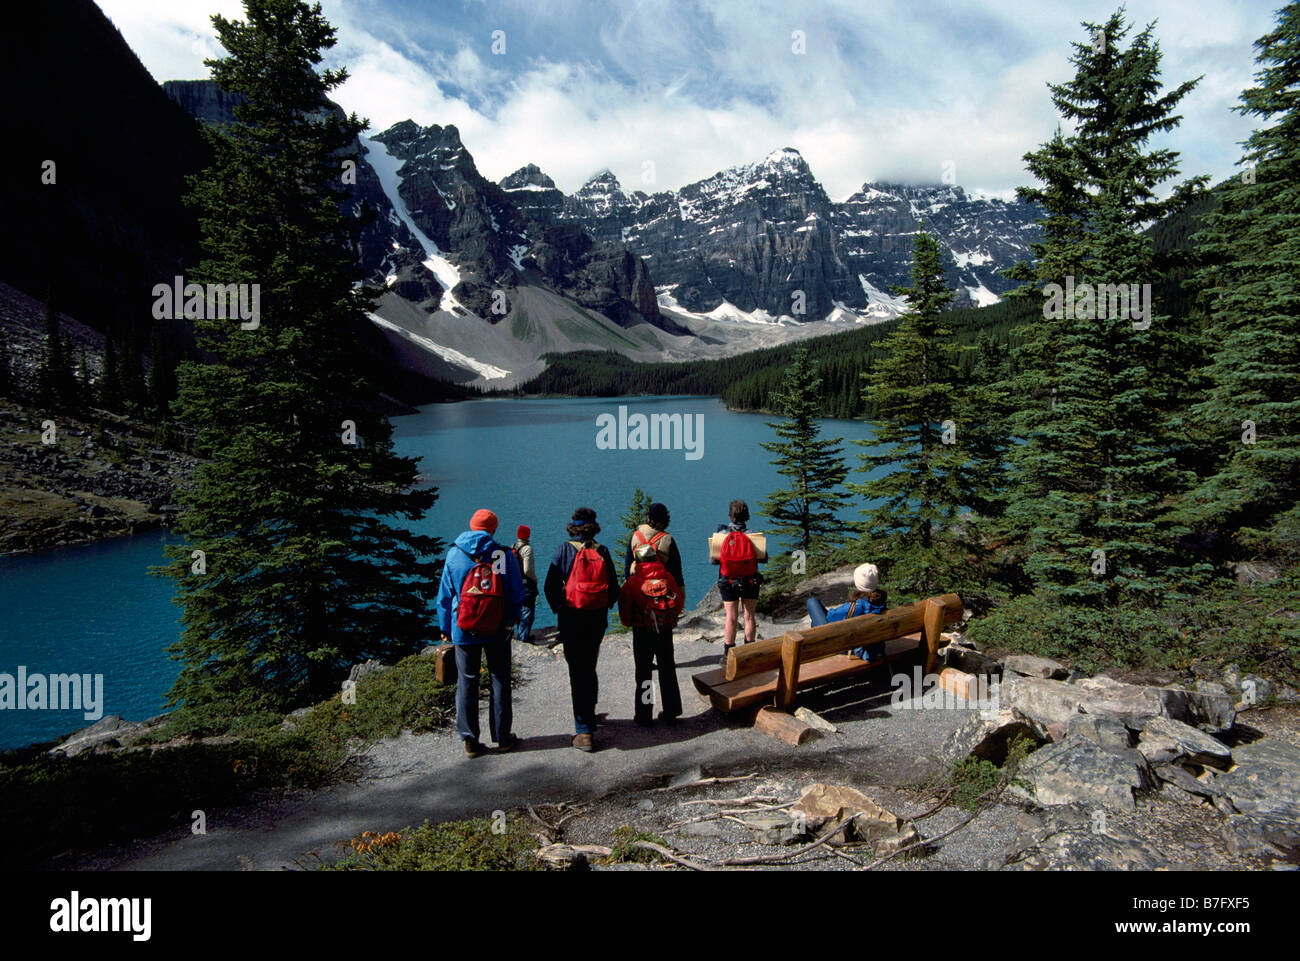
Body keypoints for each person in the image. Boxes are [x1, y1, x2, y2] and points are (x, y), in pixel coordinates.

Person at [436, 509, 527, 758]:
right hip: (497, 628)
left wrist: (445, 627)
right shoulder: (500, 554)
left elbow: (445, 596)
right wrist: (511, 621)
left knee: (467, 681)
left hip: (463, 628)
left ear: (471, 526)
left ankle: (470, 741)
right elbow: (516, 593)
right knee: (499, 679)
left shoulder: (455, 553)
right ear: (493, 529)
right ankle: (503, 737)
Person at [544, 507, 620, 752]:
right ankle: (590, 712)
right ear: (593, 526)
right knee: (590, 665)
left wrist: (560, 608)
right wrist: (603, 606)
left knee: (577, 671)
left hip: (572, 618)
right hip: (596, 619)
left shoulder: (564, 550)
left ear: (572, 526)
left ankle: (584, 731)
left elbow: (549, 585)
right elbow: (615, 589)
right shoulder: (602, 551)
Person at [619, 537, 685, 727]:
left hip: (642, 631)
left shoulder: (632, 582)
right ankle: (672, 711)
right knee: (667, 669)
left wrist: (629, 623)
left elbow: (625, 612)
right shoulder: (667, 577)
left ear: (637, 561)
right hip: (664, 630)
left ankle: (645, 714)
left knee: (644, 672)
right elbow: (678, 603)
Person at [713, 499, 763, 667]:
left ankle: (728, 655)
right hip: (750, 580)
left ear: (731, 515)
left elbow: (714, 560)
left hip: (728, 581)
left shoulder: (722, 536)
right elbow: (763, 558)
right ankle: (749, 653)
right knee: (749, 616)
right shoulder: (753, 535)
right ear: (746, 515)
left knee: (731, 617)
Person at [807, 563, 888, 662]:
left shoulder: (855, 606)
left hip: (847, 646)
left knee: (812, 602)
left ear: (858, 583)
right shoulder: (881, 603)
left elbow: (829, 618)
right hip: (873, 645)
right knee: (815, 620)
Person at [624, 501, 685, 589]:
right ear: (666, 519)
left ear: (648, 518)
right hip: (661, 589)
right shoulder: (668, 540)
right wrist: (681, 593)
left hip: (639, 587)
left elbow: (627, 567)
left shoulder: (635, 536)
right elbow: (676, 572)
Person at [512, 525, 538, 643]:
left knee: (519, 610)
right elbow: (527, 570)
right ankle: (523, 638)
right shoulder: (527, 549)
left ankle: (521, 635)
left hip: (514, 583)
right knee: (527, 611)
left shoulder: (512, 547)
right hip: (526, 584)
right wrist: (534, 579)